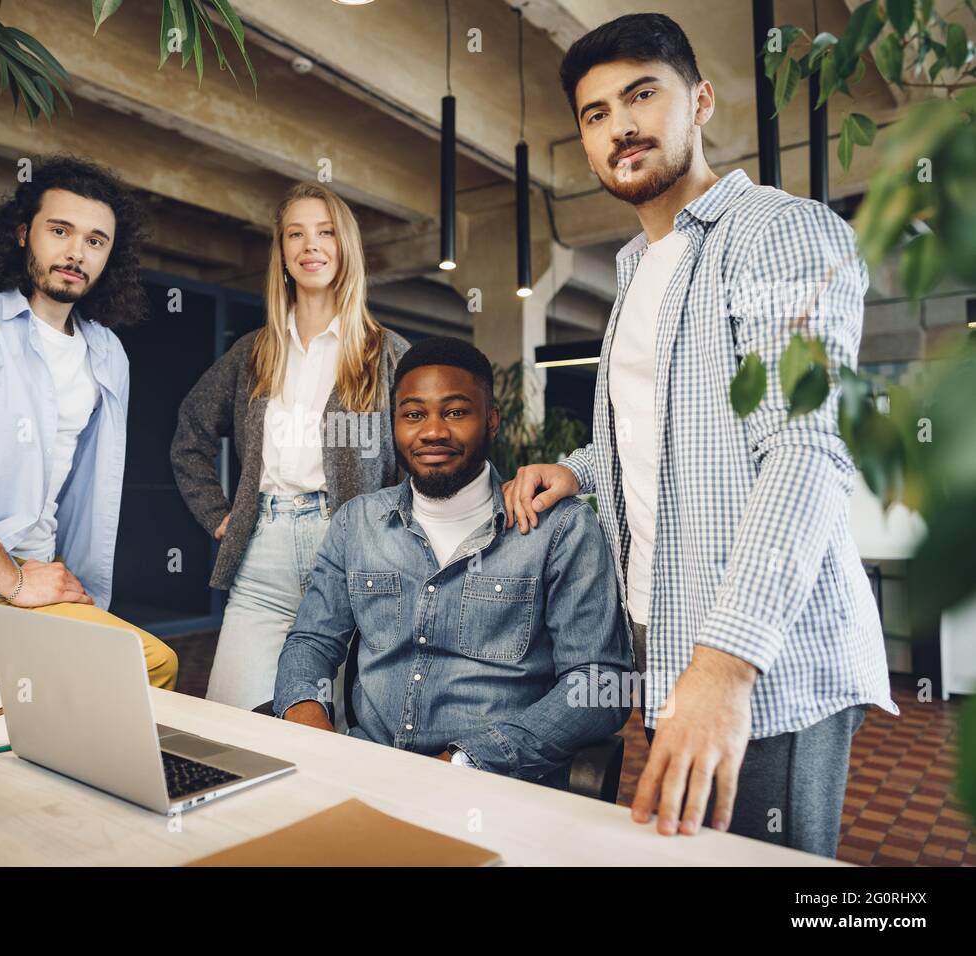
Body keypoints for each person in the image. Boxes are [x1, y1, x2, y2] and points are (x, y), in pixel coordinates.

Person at [503, 14, 895, 854]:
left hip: (767, 656)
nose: (621, 127)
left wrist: (725, 667)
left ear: (701, 101)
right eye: (596, 114)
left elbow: (806, 449)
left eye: (642, 95)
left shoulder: (779, 233)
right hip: (664, 633)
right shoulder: (638, 268)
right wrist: (579, 470)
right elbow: (660, 446)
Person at [273, 337, 629, 785]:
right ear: (395, 424)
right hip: (365, 775)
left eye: (456, 412)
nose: (433, 431)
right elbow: (312, 640)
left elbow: (597, 686)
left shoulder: (560, 529)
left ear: (492, 421)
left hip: (495, 787)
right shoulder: (357, 523)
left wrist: (464, 763)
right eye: (414, 414)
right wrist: (311, 728)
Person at [0, 156, 178, 688]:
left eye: (96, 241)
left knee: (91, 688)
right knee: (149, 665)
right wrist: (14, 581)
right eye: (59, 230)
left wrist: (60, 583)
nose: (75, 252)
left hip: (39, 577)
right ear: (24, 233)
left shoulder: (106, 352)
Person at [171, 183, 410, 716]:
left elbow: (415, 463)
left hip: (350, 553)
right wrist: (217, 514)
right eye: (295, 234)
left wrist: (393, 541)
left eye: (325, 232)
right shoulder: (253, 353)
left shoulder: (386, 354)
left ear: (345, 247)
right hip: (264, 552)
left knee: (340, 725)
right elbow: (190, 434)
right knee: (231, 720)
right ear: (281, 253)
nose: (311, 245)